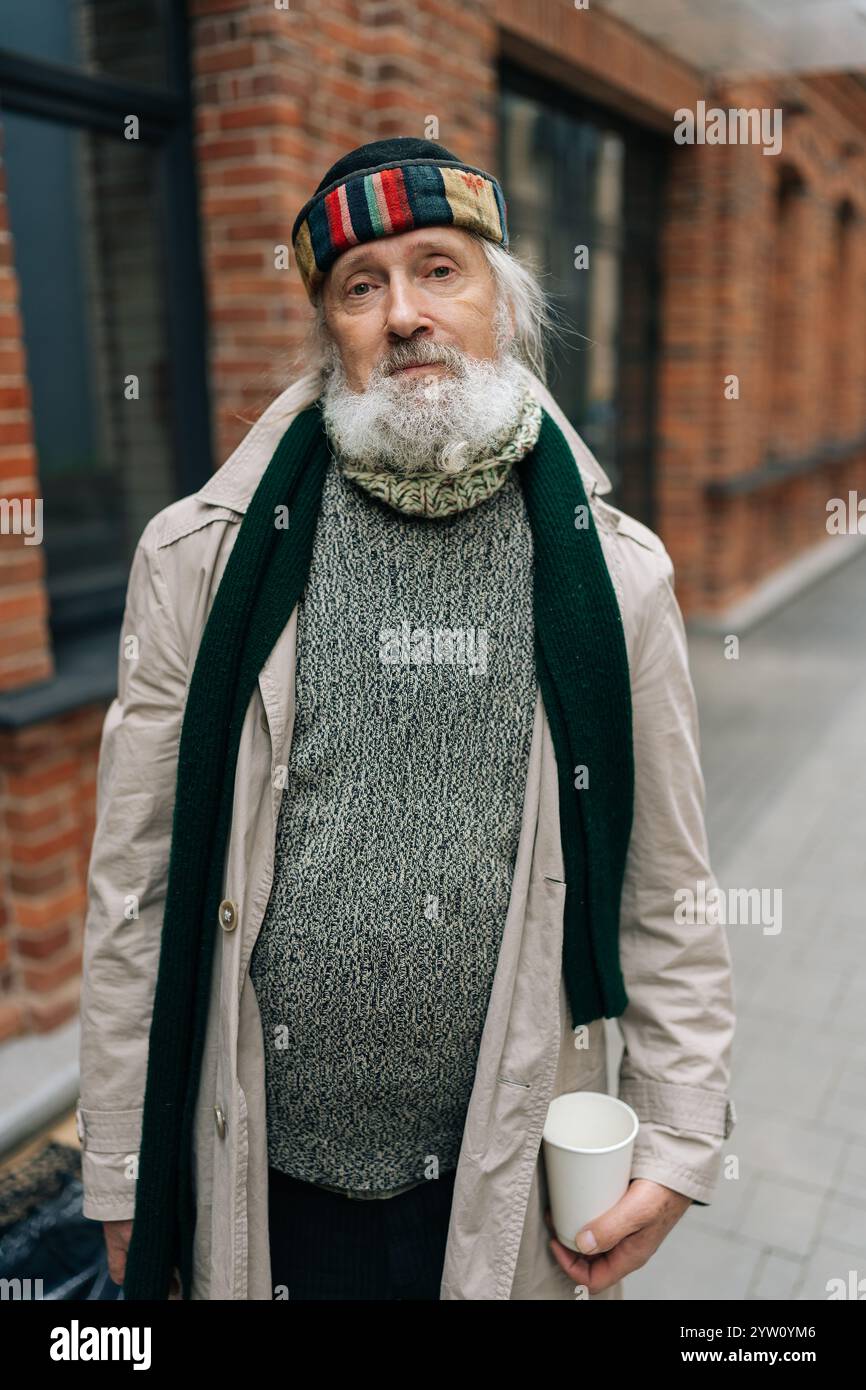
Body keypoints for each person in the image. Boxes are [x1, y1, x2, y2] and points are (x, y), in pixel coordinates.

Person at [77, 137, 736, 1301]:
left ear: (501, 303)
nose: (403, 315)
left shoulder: (616, 577)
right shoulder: (199, 561)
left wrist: (679, 1139)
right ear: (328, 330)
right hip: (254, 1175)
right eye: (358, 285)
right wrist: (124, 1175)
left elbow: (667, 886)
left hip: (507, 1181)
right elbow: (133, 891)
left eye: (439, 269)